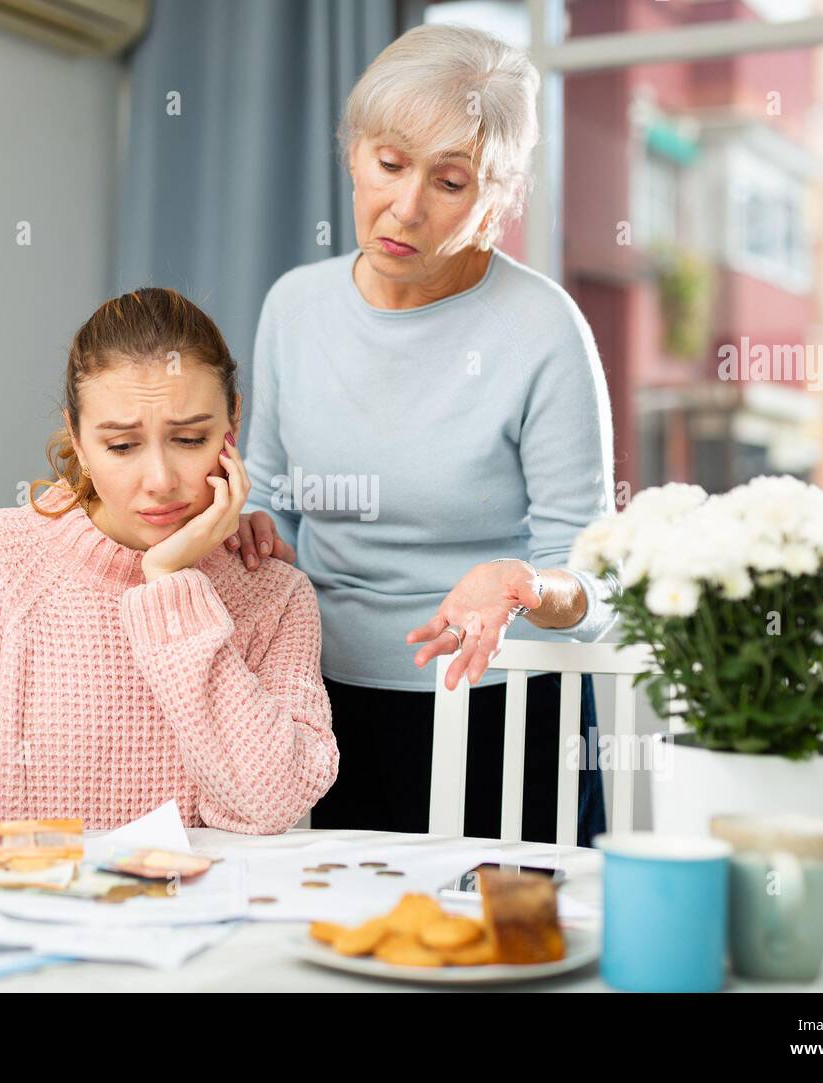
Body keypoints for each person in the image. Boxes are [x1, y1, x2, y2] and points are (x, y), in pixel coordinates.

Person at [226, 24, 618, 845]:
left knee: (518, 957)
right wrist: (252, 531)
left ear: (497, 201)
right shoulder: (293, 306)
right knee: (351, 956)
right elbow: (275, 504)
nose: (405, 206)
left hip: (506, 704)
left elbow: (592, 579)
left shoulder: (543, 328)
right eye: (389, 164)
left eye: (449, 181)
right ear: (353, 152)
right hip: (330, 698)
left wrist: (522, 584)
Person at [0, 288, 338, 873]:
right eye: (122, 445)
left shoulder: (275, 596)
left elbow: (270, 802)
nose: (159, 479)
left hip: (187, 943)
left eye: (189, 439)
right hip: (22, 939)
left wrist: (168, 584)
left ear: (233, 426)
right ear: (78, 441)